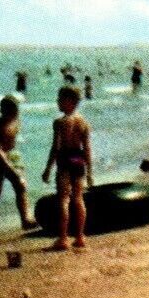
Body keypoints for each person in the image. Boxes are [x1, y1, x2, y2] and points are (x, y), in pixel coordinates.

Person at [41, 85, 93, 251]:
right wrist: (90, 171)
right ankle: (80, 236)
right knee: (79, 198)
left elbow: (55, 148)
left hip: (64, 160)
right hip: (78, 159)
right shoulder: (83, 123)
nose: (57, 102)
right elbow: (87, 148)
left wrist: (48, 168)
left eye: (60, 99)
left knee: (63, 199)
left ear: (69, 101)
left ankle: (63, 238)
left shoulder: (60, 122)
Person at [0, 95, 38, 239]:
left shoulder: (16, 121)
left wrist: (14, 165)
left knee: (20, 186)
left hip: (12, 155)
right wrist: (10, 169)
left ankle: (25, 220)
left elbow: (12, 141)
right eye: (11, 110)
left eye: (16, 109)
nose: (15, 112)